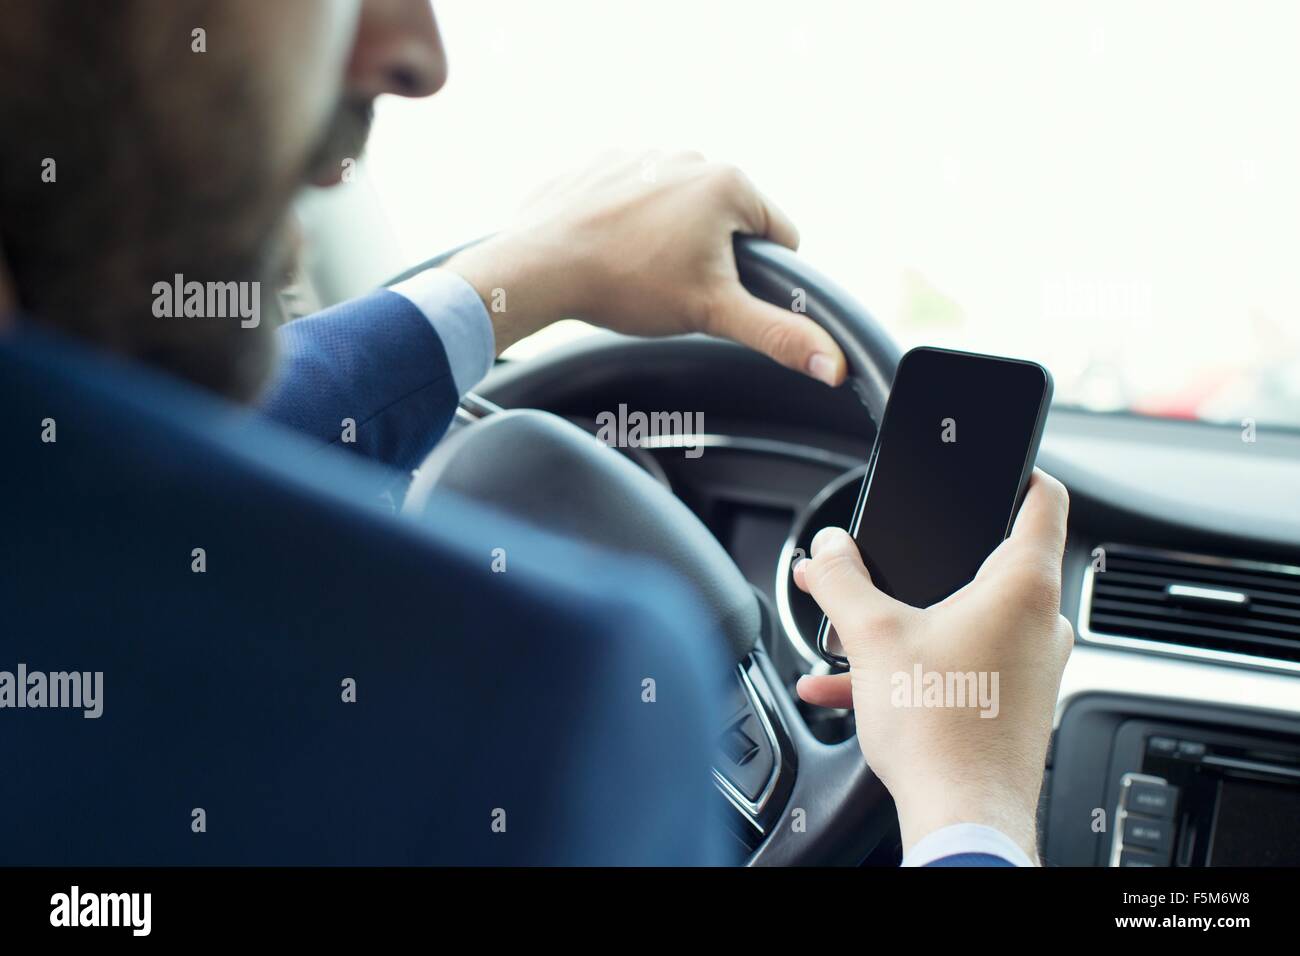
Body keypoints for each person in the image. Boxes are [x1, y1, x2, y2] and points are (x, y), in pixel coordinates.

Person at [0, 0, 1071, 866]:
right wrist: (965, 801)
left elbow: (125, 448)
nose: (417, 54)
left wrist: (523, 276)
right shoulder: (545, 709)